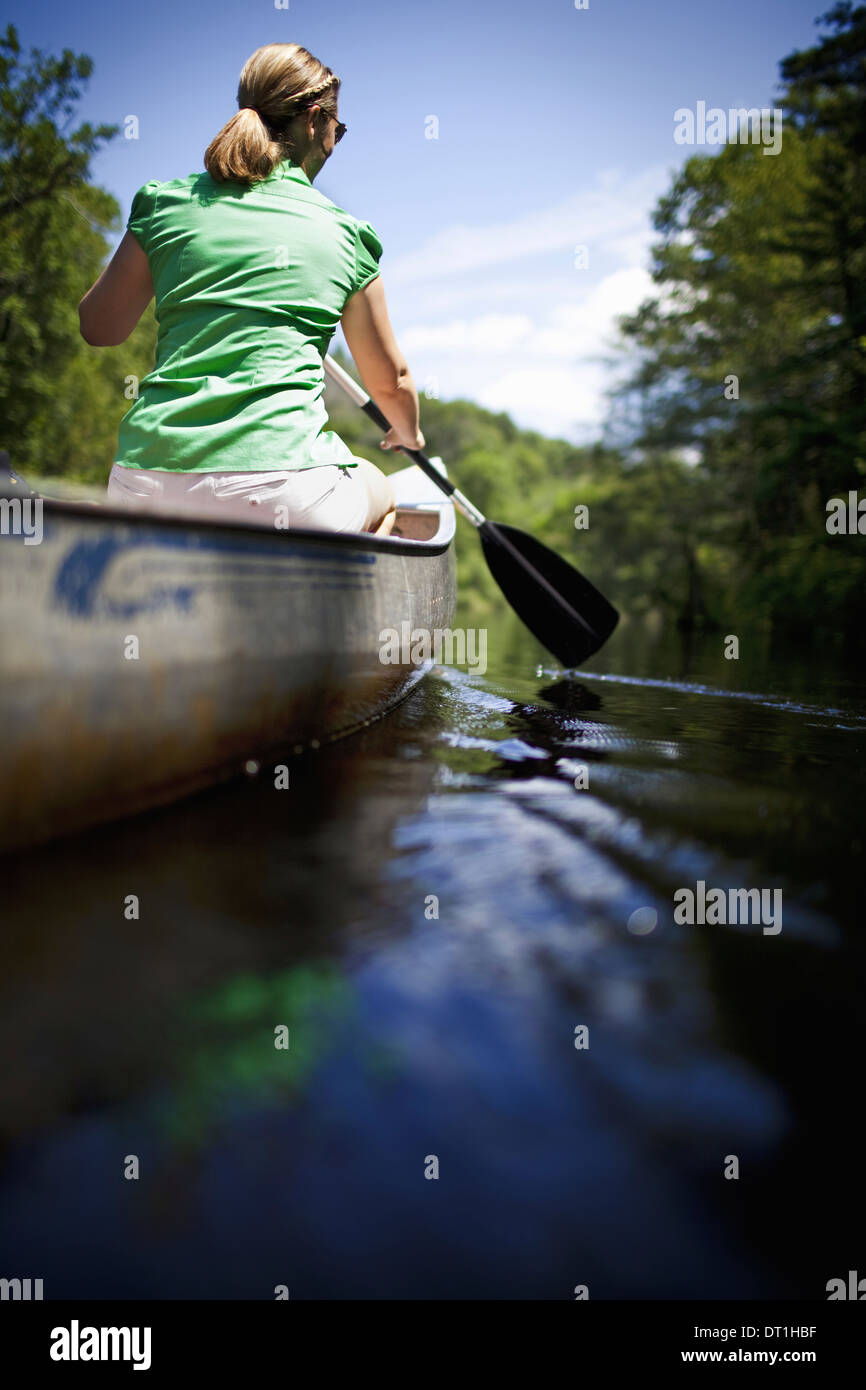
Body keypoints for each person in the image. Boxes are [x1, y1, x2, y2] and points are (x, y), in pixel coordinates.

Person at [78, 42, 425, 535]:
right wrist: (407, 432)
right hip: (284, 492)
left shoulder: (164, 204)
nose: (335, 141)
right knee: (383, 491)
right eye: (338, 130)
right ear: (313, 120)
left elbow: (99, 328)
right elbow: (390, 382)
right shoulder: (347, 235)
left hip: (145, 483)